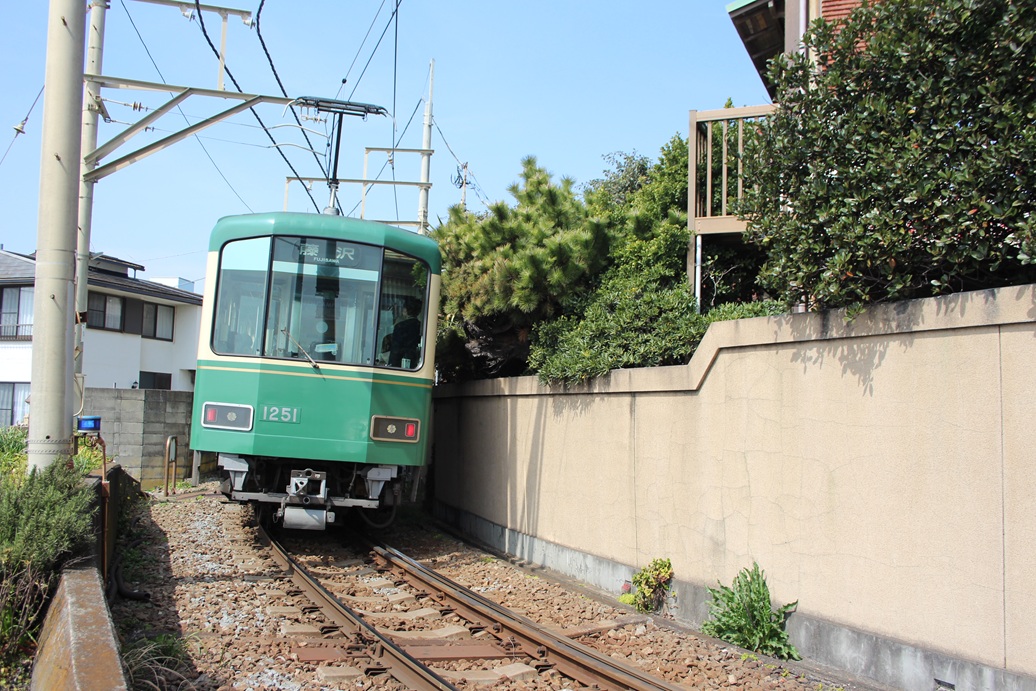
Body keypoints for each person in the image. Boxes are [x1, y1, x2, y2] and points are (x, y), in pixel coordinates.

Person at [387, 297, 422, 368]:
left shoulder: (400, 327)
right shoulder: (421, 326)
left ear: (405, 310)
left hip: (399, 364)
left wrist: (391, 365)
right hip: (415, 363)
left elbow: (395, 350)